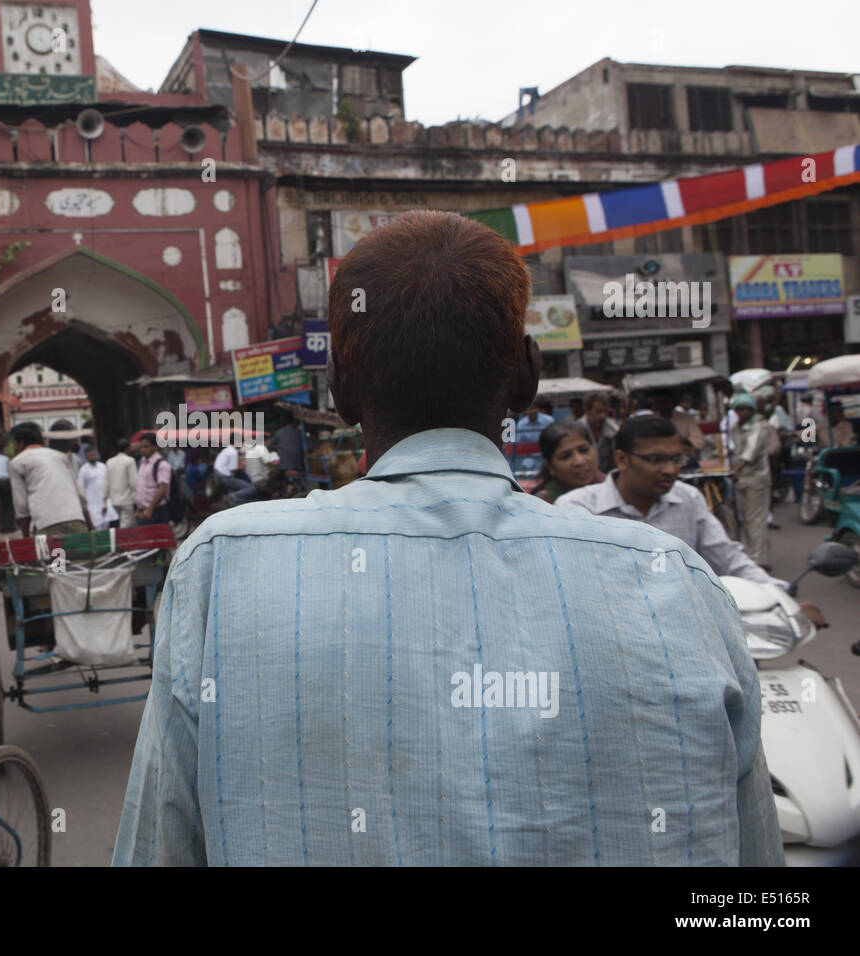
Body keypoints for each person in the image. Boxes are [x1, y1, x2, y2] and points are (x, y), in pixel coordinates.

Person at [113, 210, 780, 866]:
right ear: (526, 376)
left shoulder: (224, 566)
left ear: (341, 390)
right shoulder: (675, 579)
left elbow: (161, 845)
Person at [557, 417, 817, 613]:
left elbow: (728, 558)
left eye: (676, 459)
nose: (669, 470)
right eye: (656, 459)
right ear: (622, 460)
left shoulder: (688, 499)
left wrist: (781, 598)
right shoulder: (577, 510)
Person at [9, 423, 90, 537]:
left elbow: (21, 506)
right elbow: (79, 495)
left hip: (47, 524)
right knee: (78, 554)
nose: (13, 447)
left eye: (13, 443)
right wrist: (91, 526)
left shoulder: (17, 463)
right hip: (77, 520)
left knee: (55, 555)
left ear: (20, 442)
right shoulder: (60, 456)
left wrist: (26, 536)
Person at [729, 393, 773, 569]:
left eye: (747, 408)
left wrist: (737, 468)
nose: (743, 412)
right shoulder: (735, 428)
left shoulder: (758, 427)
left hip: (757, 478)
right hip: (742, 479)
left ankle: (758, 559)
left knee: (756, 519)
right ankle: (752, 553)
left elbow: (750, 452)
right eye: (740, 408)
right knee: (746, 518)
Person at [531, 420, 603, 503]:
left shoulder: (609, 485)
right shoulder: (542, 504)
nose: (579, 461)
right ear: (550, 467)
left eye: (584, 450)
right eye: (565, 456)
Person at [577, 390, 619, 475]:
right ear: (587, 411)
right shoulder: (577, 430)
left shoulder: (613, 429)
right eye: (599, 411)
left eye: (606, 411)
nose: (603, 416)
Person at [134, 433, 172, 525]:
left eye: (146, 446)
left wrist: (150, 509)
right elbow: (141, 487)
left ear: (155, 447)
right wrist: (138, 510)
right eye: (141, 447)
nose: (142, 449)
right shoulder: (142, 462)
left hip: (156, 511)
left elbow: (162, 489)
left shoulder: (162, 464)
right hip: (144, 512)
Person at [104, 437, 139, 530]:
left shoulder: (109, 462)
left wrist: (104, 501)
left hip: (114, 501)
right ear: (127, 448)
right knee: (126, 527)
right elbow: (134, 483)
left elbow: (106, 483)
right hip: (127, 500)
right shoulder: (130, 461)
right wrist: (138, 500)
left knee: (123, 523)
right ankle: (122, 542)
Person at [77, 445, 109, 530]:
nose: (92, 457)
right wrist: (85, 504)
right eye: (89, 456)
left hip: (105, 502)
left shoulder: (103, 466)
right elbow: (81, 489)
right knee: (96, 528)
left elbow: (108, 483)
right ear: (86, 457)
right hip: (92, 504)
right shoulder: (83, 470)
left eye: (93, 455)